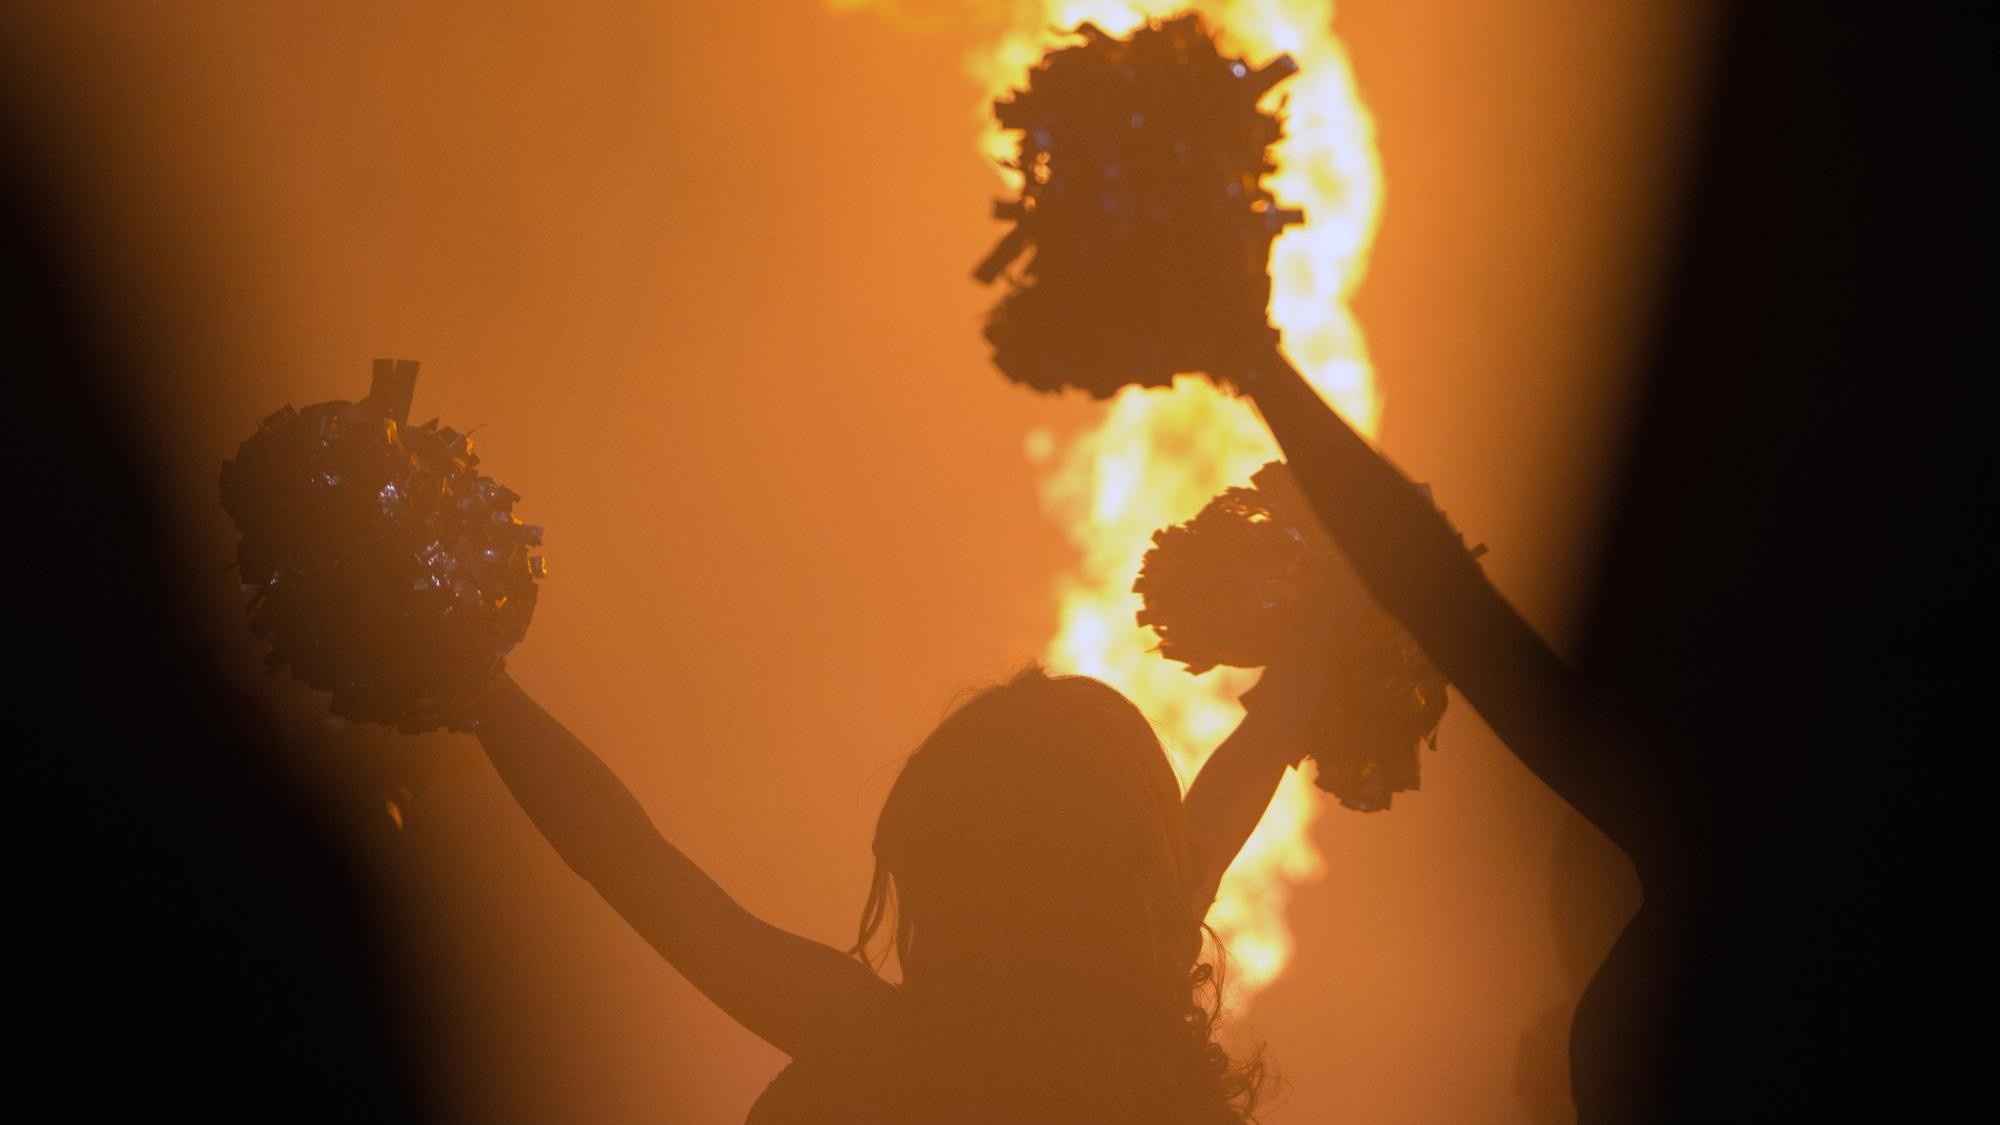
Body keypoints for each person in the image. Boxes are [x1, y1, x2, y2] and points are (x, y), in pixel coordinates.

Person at [467, 647, 1334, 1124]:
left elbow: (634, 866)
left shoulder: (886, 1048)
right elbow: (1225, 802)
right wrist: (1310, 669)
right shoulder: (1143, 1025)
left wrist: (476, 682)